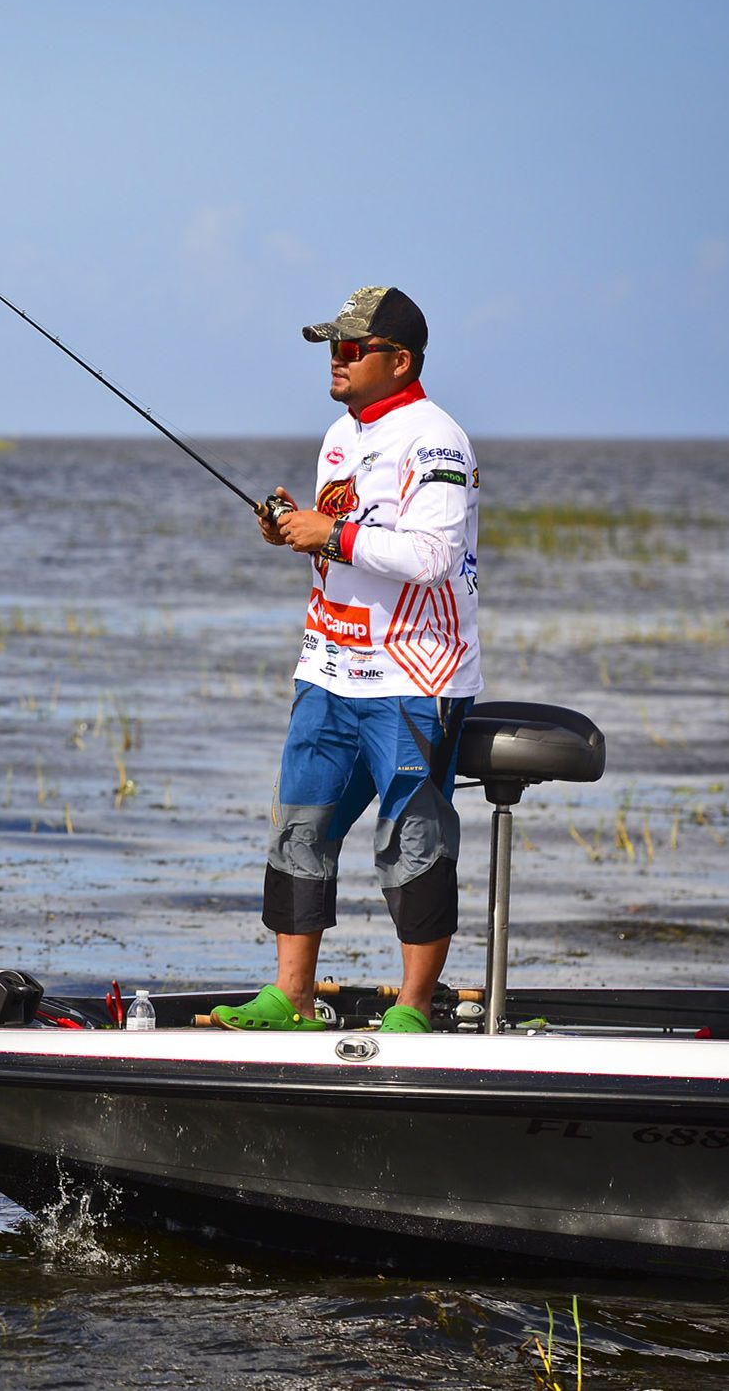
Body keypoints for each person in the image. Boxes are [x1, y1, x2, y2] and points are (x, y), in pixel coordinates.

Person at [213, 287, 480, 1033]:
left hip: (415, 677)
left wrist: (326, 534)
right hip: (328, 671)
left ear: (399, 360)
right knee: (299, 826)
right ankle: (290, 998)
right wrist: (292, 530)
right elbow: (340, 531)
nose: (338, 357)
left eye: (352, 347)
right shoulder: (338, 434)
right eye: (332, 345)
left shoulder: (437, 440)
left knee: (412, 841)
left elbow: (432, 555)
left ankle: (416, 1009)